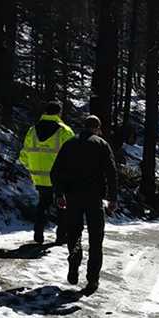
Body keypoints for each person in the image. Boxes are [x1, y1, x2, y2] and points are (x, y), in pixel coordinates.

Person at [50, 115, 118, 295]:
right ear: (96, 128)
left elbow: (55, 171)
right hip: (94, 199)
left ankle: (74, 263)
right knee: (96, 239)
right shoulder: (101, 145)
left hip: (73, 197)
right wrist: (112, 198)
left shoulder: (69, 144)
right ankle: (92, 279)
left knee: (74, 233)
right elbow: (111, 173)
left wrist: (59, 193)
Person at [18, 101, 75, 244]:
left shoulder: (32, 130)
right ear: (59, 113)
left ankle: (38, 235)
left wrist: (32, 168)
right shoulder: (64, 131)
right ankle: (61, 236)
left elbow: (23, 155)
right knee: (62, 207)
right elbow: (73, 155)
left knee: (43, 204)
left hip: (39, 177)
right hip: (59, 178)